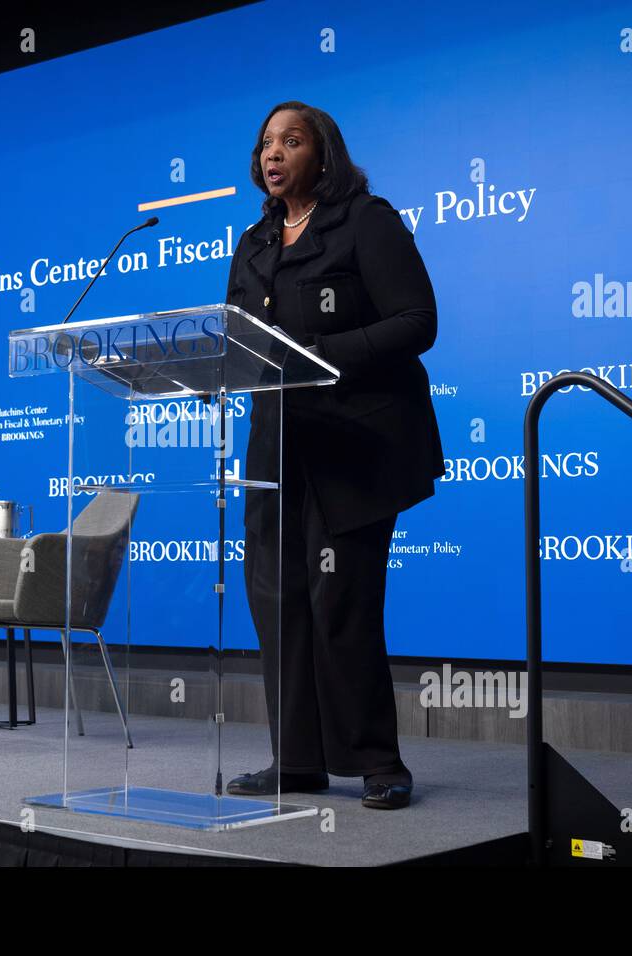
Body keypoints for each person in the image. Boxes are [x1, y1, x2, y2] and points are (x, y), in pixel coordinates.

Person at [223, 101, 444, 810]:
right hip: (276, 445)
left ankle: (377, 761)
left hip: (354, 443)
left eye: (291, 141)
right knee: (277, 600)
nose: (273, 153)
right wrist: (211, 368)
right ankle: (296, 761)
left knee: (341, 599)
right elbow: (236, 339)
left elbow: (418, 321)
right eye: (266, 144)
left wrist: (322, 356)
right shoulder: (255, 241)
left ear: (324, 154)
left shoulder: (365, 222)